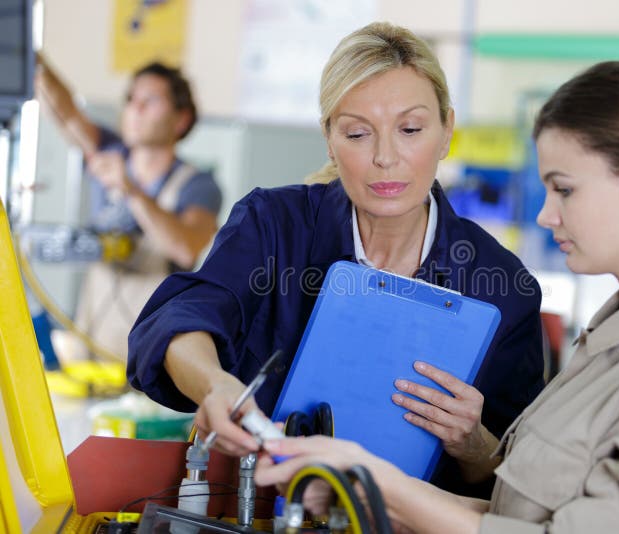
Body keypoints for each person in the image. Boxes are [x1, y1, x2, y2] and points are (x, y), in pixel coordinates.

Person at [253, 60, 619, 533]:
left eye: (564, 188)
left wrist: (379, 484)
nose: (546, 214)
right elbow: (527, 515)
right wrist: (368, 493)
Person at [127, 22, 545, 496]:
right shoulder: (274, 225)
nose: (386, 157)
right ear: (329, 138)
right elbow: (178, 320)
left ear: (447, 131)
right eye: (357, 134)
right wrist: (214, 385)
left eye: (410, 129)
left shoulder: (504, 287)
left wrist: (473, 444)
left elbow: (523, 484)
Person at [35, 57, 222, 360]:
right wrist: (31, 55)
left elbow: (186, 248)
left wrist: (131, 190)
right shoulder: (108, 153)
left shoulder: (198, 185)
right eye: (131, 99)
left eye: (150, 101)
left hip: (150, 361)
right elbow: (65, 112)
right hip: (90, 348)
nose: (135, 108)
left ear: (181, 119)